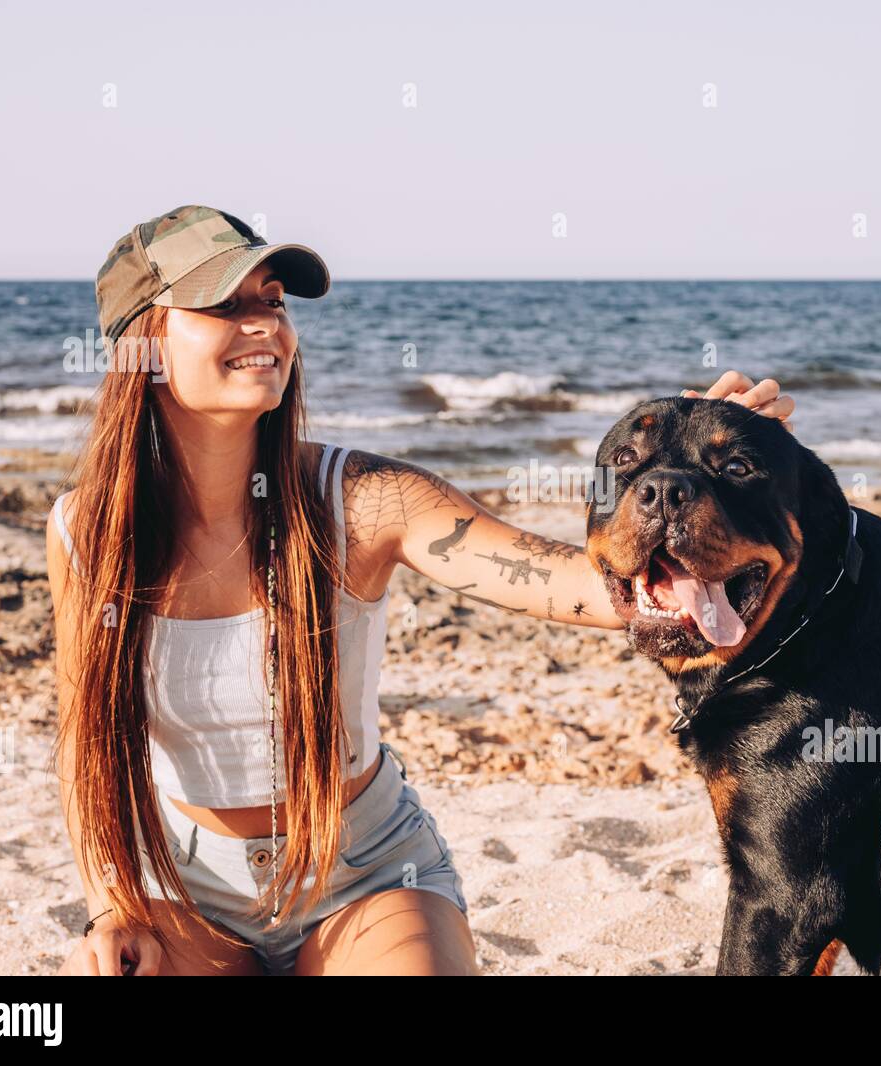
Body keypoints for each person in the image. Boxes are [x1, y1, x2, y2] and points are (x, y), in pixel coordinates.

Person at [50, 204, 795, 976]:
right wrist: (110, 904)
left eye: (271, 300)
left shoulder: (363, 500)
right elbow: (82, 742)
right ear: (143, 341)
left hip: (365, 878)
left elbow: (573, 585)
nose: (264, 324)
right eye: (224, 304)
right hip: (186, 891)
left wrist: (699, 479)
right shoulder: (85, 535)